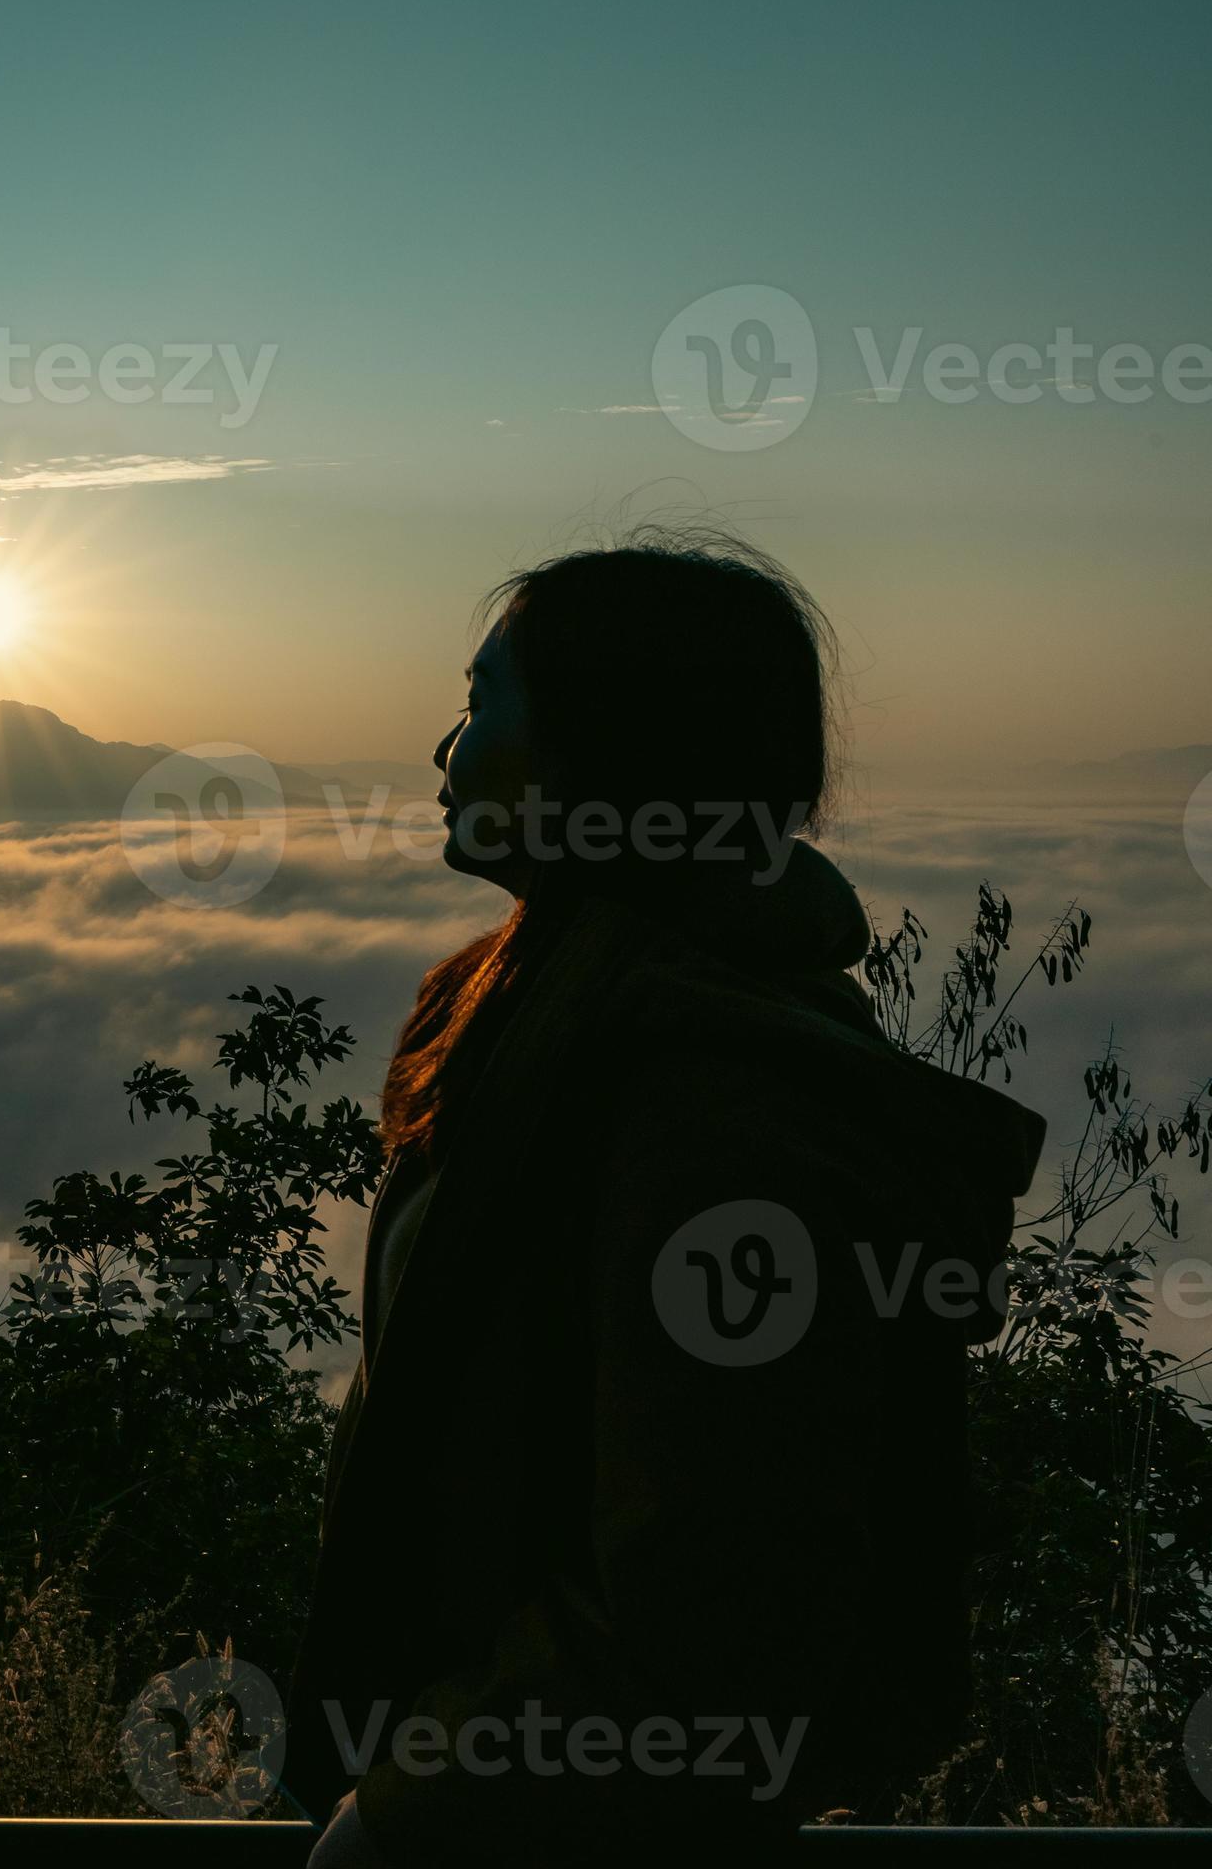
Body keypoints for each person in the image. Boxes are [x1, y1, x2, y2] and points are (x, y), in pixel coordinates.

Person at [296, 535, 1049, 1867]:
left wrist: (406, 1816)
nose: (446, 748)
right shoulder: (539, 1014)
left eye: (481, 702)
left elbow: (709, 1603)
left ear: (597, 750)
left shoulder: (711, 1098)